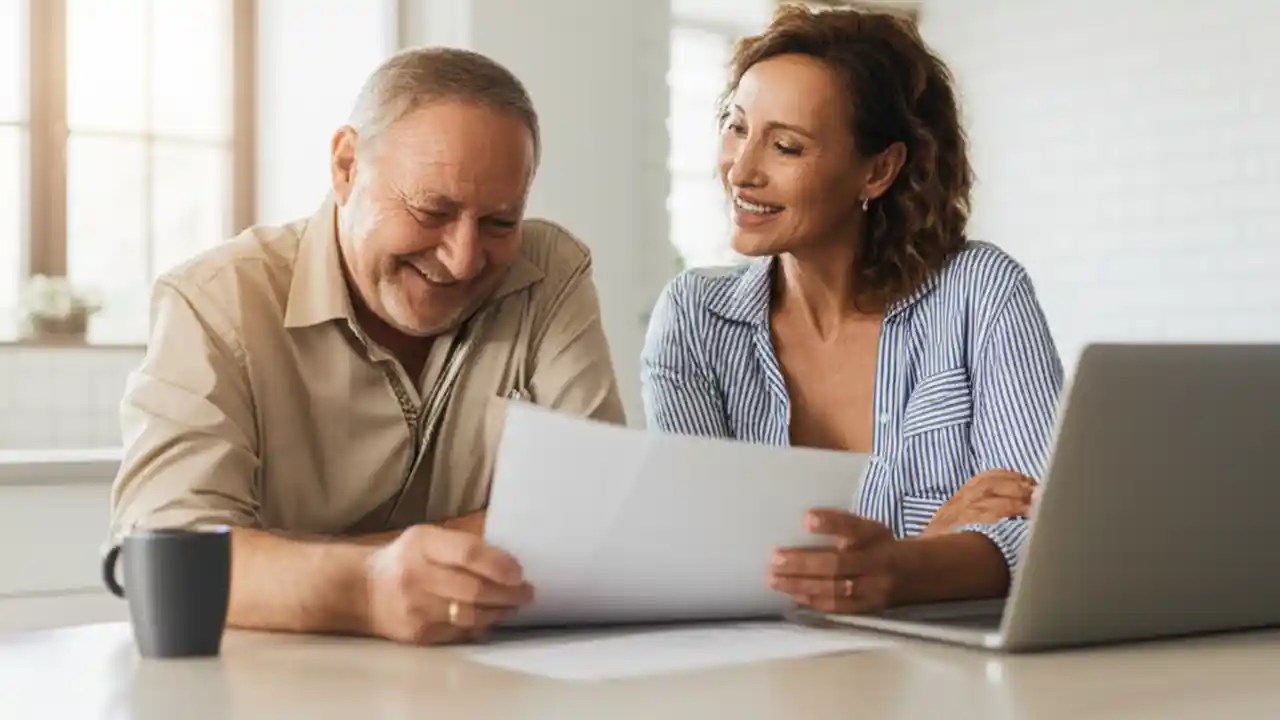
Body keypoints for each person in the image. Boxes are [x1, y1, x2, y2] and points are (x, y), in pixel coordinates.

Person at [110, 48, 625, 644]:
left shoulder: (549, 273)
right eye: (433, 210)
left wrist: (297, 565)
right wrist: (366, 586)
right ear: (347, 166)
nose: (462, 260)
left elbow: (598, 514)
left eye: (499, 223)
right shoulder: (213, 301)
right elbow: (169, 558)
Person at [641, 6, 1063, 614]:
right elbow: (706, 554)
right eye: (736, 127)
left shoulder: (982, 293)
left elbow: (1042, 522)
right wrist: (927, 550)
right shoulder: (693, 318)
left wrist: (899, 567)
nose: (741, 169)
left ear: (879, 169)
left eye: (785, 146)